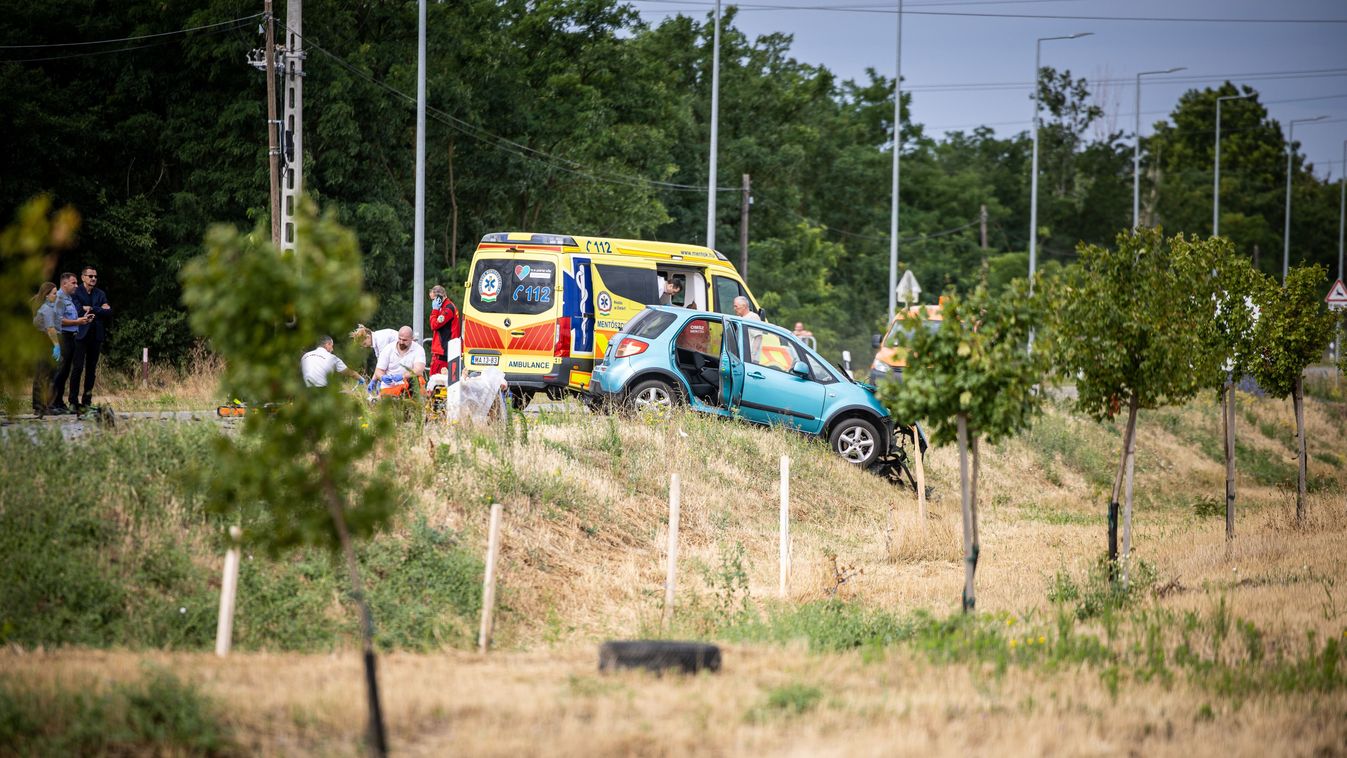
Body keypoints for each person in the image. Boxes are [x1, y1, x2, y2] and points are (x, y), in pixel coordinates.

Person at [67, 266, 112, 412]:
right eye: (90, 276)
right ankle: (73, 402)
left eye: (95, 276)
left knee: (91, 370)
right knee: (78, 368)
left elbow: (108, 312)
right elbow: (78, 310)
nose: (93, 278)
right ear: (83, 277)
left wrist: (91, 308)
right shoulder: (76, 292)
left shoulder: (100, 293)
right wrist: (99, 308)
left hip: (96, 335)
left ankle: (86, 402)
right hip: (80, 334)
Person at [48, 272, 91, 415]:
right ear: (64, 283)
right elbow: (58, 320)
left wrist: (81, 319)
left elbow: (69, 317)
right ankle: (51, 403)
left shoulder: (69, 298)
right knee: (59, 371)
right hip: (63, 337)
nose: (76, 285)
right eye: (73, 283)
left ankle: (59, 401)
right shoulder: (59, 298)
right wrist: (77, 322)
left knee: (65, 371)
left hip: (71, 336)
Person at [30, 282, 62, 414]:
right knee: (43, 375)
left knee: (46, 375)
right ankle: (40, 406)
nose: (57, 296)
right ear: (47, 295)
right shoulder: (47, 309)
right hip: (46, 342)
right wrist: (56, 346)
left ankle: (43, 405)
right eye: (54, 293)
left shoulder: (47, 307)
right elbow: (50, 329)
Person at [428, 285, 461, 378]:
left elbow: (434, 325)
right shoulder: (444, 307)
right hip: (444, 351)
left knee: (436, 382)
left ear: (439, 298)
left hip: (443, 352)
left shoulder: (448, 309)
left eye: (433, 299)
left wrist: (434, 310)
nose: (433, 302)